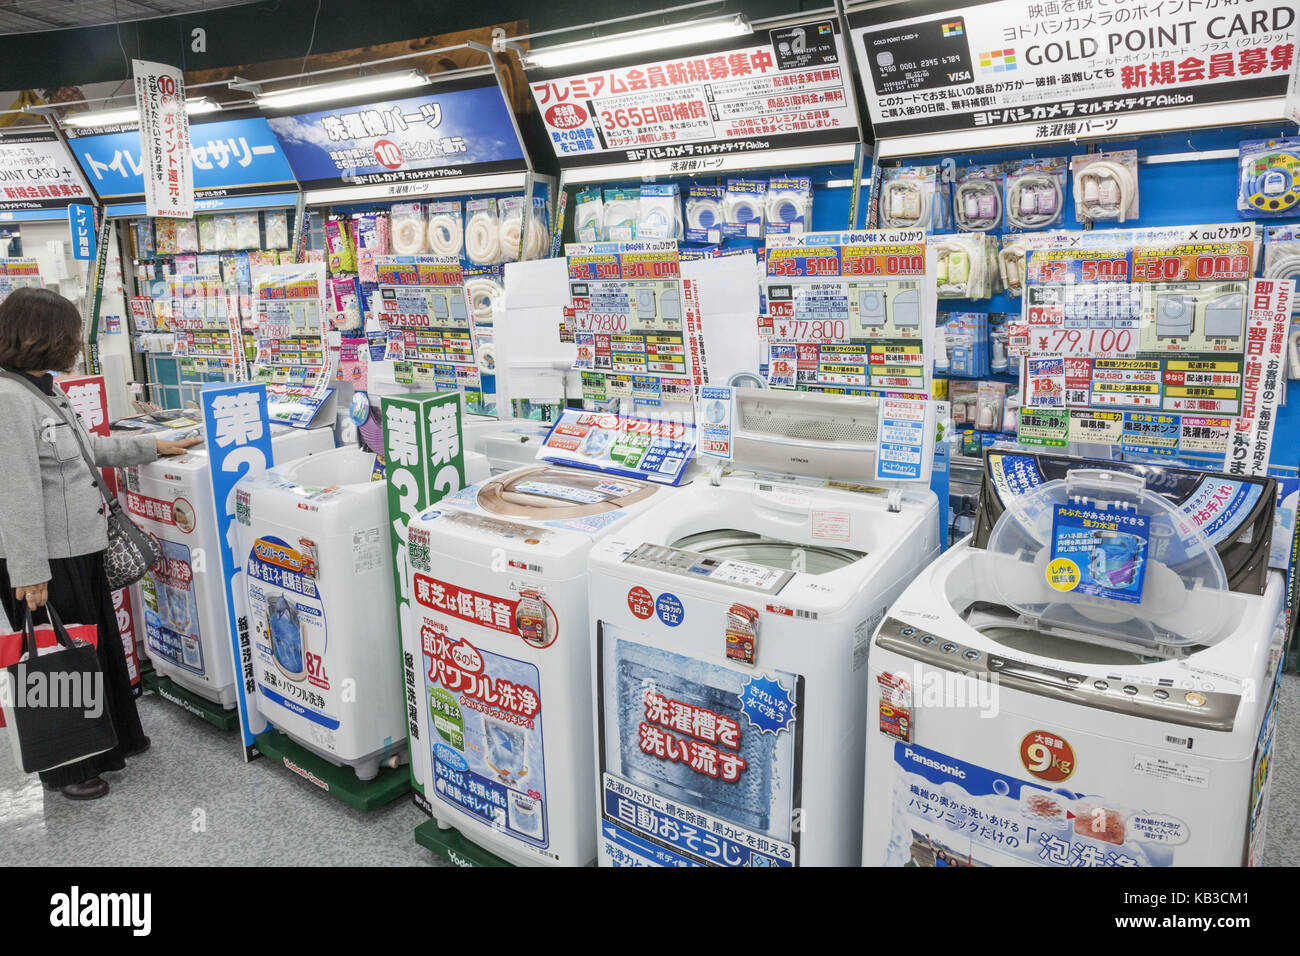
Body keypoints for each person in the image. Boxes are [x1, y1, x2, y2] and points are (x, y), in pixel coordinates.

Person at [0, 287, 200, 800]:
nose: (76, 344)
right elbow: (15, 494)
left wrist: (155, 444)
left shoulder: (41, 387)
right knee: (54, 658)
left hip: (78, 548)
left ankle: (112, 742)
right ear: (41, 337)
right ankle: (68, 767)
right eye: (69, 334)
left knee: (90, 648)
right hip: (44, 560)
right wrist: (29, 573)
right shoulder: (7, 400)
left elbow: (88, 449)